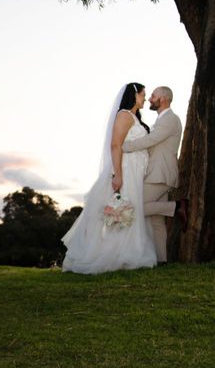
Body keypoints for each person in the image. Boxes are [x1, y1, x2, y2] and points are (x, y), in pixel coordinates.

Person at [61, 83, 157, 273]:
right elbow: (115, 145)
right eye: (142, 94)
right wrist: (118, 175)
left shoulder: (135, 118)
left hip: (137, 171)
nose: (145, 98)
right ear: (134, 94)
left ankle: (129, 251)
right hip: (126, 169)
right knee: (123, 208)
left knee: (133, 209)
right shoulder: (124, 115)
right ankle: (113, 254)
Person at [122, 86, 183, 263]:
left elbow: (151, 141)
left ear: (163, 99)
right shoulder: (162, 120)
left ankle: (177, 207)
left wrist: (124, 147)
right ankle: (161, 260)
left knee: (135, 208)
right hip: (158, 173)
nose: (150, 99)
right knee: (157, 222)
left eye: (154, 96)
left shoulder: (171, 119)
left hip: (160, 173)